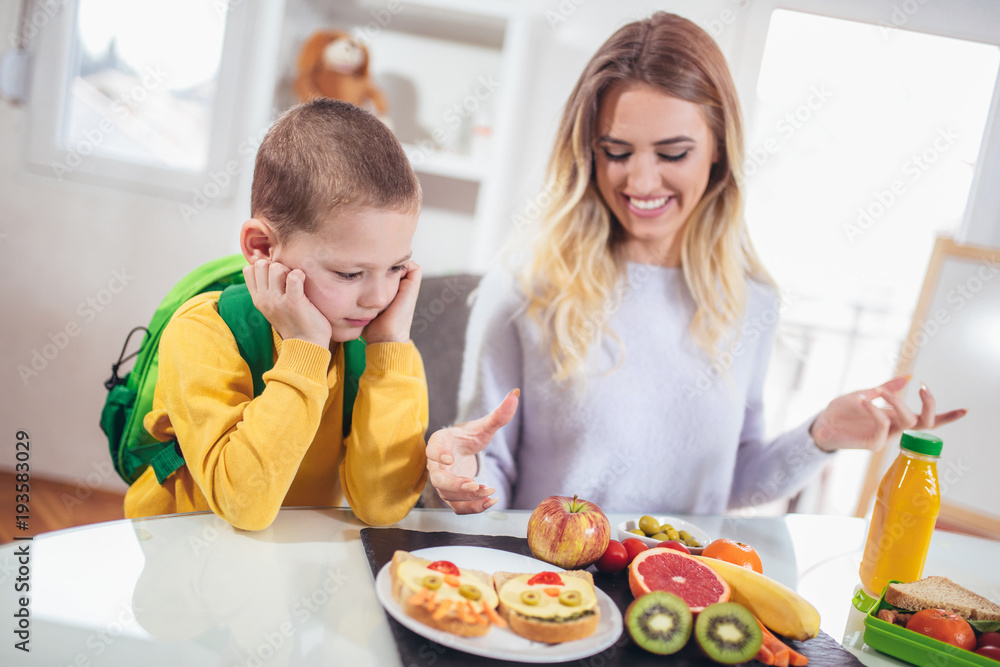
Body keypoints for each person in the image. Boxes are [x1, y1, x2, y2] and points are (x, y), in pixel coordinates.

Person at [425, 12, 966, 515]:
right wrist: (462, 472)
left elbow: (730, 480)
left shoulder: (749, 298)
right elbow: (490, 465)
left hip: (682, 600)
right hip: (551, 592)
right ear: (589, 151)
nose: (638, 182)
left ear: (718, 151)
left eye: (672, 153)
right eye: (616, 151)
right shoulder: (524, 285)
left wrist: (821, 434)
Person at [124, 99, 430, 530]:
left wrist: (388, 351)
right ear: (263, 248)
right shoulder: (202, 334)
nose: (378, 297)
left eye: (397, 268)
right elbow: (243, 507)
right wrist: (304, 351)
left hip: (291, 567)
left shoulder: (380, 344)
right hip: (187, 563)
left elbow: (381, 505)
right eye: (349, 272)